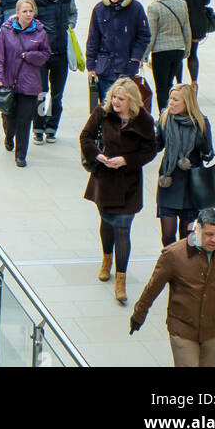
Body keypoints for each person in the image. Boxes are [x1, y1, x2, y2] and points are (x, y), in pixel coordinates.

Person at [131, 208, 215, 366]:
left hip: (211, 331)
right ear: (197, 230)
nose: (214, 240)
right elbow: (153, 288)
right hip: (183, 330)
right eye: (209, 234)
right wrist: (139, 315)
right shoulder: (174, 255)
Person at [80, 76, 157, 304]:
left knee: (123, 228)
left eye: (121, 98)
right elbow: (86, 137)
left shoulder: (143, 120)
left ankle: (121, 279)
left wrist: (126, 160)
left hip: (128, 183)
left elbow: (150, 150)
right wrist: (98, 155)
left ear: (131, 100)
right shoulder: (101, 114)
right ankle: (106, 259)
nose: (115, 101)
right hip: (104, 179)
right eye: (114, 96)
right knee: (106, 222)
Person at [0, 0, 51, 167]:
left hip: (30, 84)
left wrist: (31, 56)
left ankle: (21, 155)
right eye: (24, 11)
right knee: (9, 117)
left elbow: (46, 54)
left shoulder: (40, 32)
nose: (28, 14)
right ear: (17, 13)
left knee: (24, 120)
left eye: (31, 11)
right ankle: (9, 136)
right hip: (9, 81)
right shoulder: (6, 29)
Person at [155, 83, 214, 247]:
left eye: (175, 100)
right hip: (168, 180)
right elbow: (157, 145)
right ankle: (170, 266)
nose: (171, 103)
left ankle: (183, 269)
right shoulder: (165, 119)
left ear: (187, 102)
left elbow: (208, 154)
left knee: (186, 236)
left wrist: (203, 145)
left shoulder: (201, 122)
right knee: (167, 235)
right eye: (170, 99)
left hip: (190, 184)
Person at [31, 0, 77, 144]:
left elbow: (73, 13)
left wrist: (70, 27)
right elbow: (30, 19)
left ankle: (52, 127)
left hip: (61, 53)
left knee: (57, 94)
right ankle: (38, 127)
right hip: (42, 54)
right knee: (41, 92)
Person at [85, 0, 151, 102]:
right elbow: (93, 38)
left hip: (127, 68)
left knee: (126, 108)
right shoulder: (99, 9)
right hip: (105, 68)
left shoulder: (136, 8)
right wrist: (91, 66)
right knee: (106, 109)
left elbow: (144, 36)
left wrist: (135, 59)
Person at [145, 0, 191, 113]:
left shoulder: (154, 7)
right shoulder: (181, 4)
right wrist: (187, 49)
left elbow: (151, 35)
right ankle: (171, 114)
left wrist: (144, 55)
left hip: (161, 52)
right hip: (177, 50)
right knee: (170, 84)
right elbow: (186, 29)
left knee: (161, 88)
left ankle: (163, 116)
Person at [169, 0, 214, 84]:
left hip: (178, 21)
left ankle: (179, 84)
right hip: (197, 22)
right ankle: (194, 82)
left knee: (179, 55)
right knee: (193, 55)